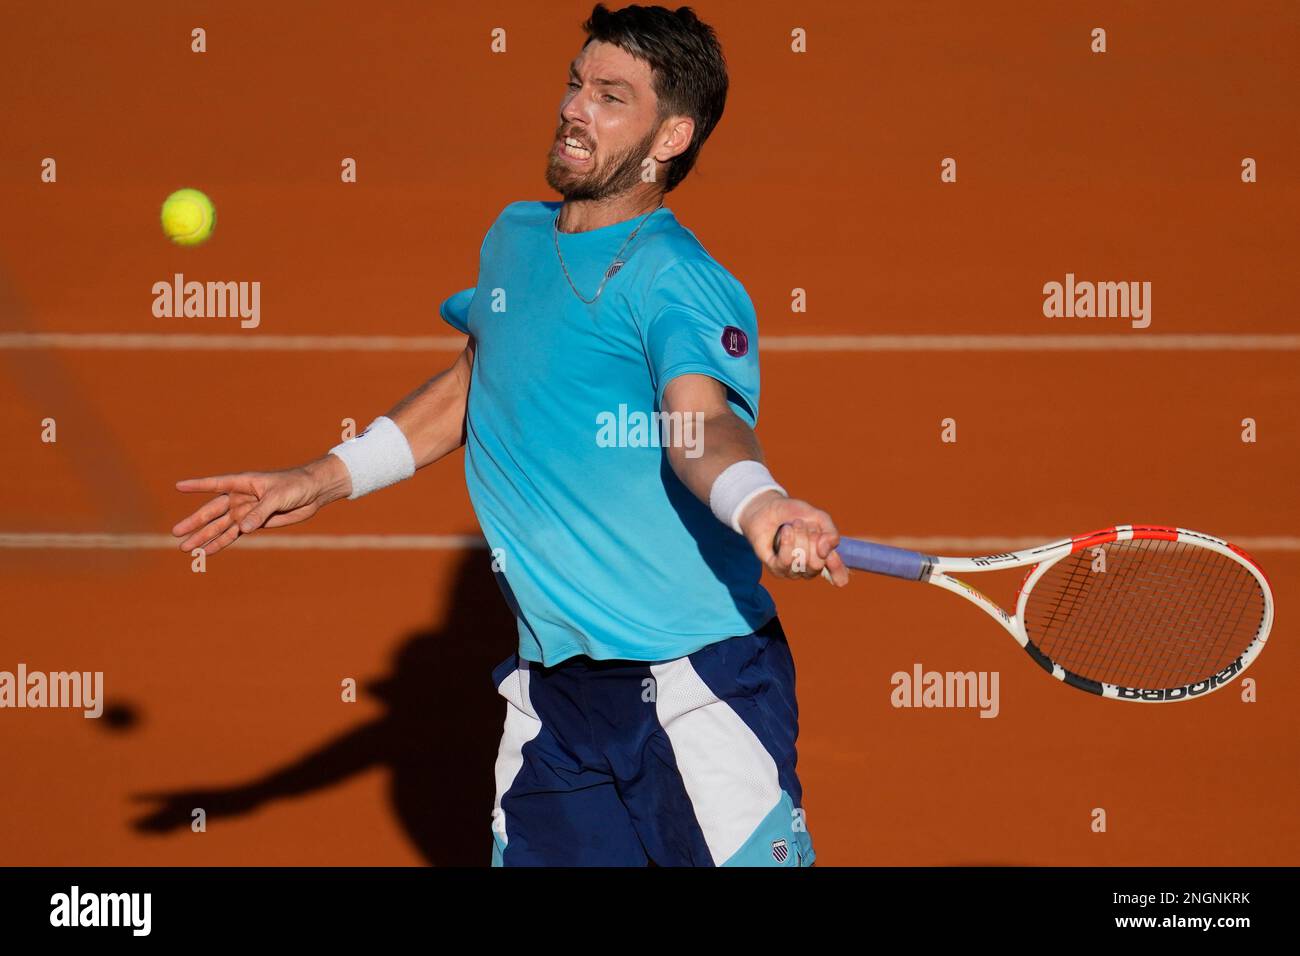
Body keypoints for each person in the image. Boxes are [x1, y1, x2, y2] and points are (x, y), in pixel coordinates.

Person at [172, 3, 848, 867]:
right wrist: (319, 478)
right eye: (576, 84)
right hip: (553, 703)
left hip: (695, 691)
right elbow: (472, 384)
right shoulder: (515, 240)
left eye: (611, 98)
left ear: (670, 137)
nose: (575, 109)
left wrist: (760, 505)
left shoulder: (676, 279)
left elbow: (700, 422)